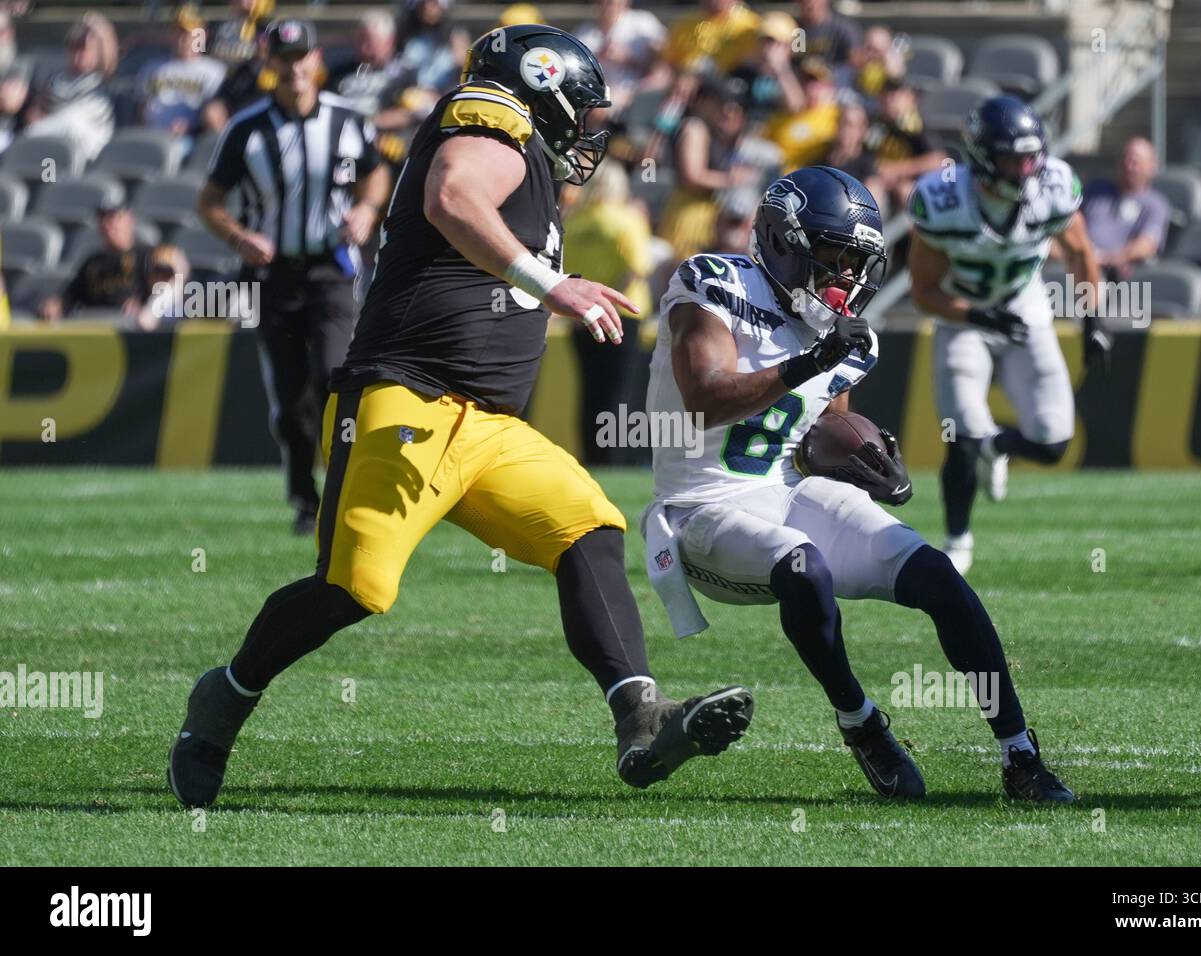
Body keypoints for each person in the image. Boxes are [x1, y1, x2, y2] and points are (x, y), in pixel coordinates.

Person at [168, 25, 754, 810]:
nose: (586, 131)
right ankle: (223, 701)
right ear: (536, 88)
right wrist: (550, 286)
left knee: (589, 529)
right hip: (404, 397)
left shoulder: (529, 165)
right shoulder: (490, 112)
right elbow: (451, 197)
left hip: (488, 426)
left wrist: (551, 280)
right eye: (576, 110)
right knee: (356, 587)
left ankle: (641, 718)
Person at [642, 166, 1076, 802]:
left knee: (937, 576)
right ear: (784, 242)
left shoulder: (845, 339)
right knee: (805, 565)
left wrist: (863, 464)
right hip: (700, 511)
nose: (845, 278)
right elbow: (705, 400)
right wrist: (808, 361)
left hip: (785, 488)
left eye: (857, 264)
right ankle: (862, 722)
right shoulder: (714, 283)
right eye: (833, 258)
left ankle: (1020, 755)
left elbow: (820, 436)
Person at [196, 20, 391, 535]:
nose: (293, 68)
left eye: (301, 57)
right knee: (289, 397)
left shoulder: (348, 120)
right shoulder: (247, 128)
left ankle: (344, 493)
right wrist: (240, 238)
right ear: (268, 63)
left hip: (330, 268)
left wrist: (368, 210)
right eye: (283, 58)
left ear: (316, 59)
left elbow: (376, 170)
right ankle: (305, 499)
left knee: (334, 377)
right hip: (272, 275)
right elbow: (209, 202)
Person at [907, 96, 1110, 575]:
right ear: (981, 158)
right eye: (1012, 159)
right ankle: (958, 536)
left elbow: (1081, 253)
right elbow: (923, 292)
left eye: (1031, 157)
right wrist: (976, 317)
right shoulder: (944, 201)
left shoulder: (1054, 188)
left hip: (1024, 310)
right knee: (962, 432)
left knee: (1054, 439)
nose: (1025, 169)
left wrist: (1093, 322)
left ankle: (1000, 448)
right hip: (964, 319)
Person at [562, 160, 653, 466]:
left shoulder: (573, 221)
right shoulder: (627, 218)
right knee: (619, 391)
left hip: (581, 314)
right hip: (621, 313)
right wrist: (608, 303)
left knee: (589, 390)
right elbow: (636, 268)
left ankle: (592, 456)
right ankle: (615, 458)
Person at [658, 78, 759, 261]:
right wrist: (731, 179)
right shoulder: (694, 128)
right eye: (719, 102)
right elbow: (692, 176)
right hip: (688, 217)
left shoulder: (715, 132)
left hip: (706, 218)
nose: (724, 109)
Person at [39, 201, 152, 323]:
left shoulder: (148, 256)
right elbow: (70, 297)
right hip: (95, 326)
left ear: (129, 220)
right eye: (102, 219)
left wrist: (146, 306)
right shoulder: (93, 262)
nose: (107, 225)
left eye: (113, 218)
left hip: (132, 330)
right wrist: (56, 305)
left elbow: (166, 295)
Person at [21, 20, 116, 163]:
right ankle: (48, 178)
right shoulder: (55, 80)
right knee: (49, 151)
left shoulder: (102, 76)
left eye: (83, 49)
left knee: (70, 122)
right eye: (73, 48)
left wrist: (95, 25)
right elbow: (35, 114)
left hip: (91, 141)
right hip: (54, 140)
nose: (78, 55)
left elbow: (108, 50)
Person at [1082, 137, 1170, 281]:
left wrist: (1108, 259)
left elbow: (1147, 245)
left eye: (1135, 162)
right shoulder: (1095, 190)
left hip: (1114, 275)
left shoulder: (1156, 205)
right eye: (1125, 159)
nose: (1129, 165)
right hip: (1077, 264)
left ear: (1151, 167)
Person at [137, 5, 227, 141]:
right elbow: (140, 113)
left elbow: (217, 118)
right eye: (177, 32)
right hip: (153, 138)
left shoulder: (214, 71)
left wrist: (192, 128)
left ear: (202, 35)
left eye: (188, 33)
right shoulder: (151, 68)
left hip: (194, 141)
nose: (183, 38)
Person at [867, 78, 944, 212]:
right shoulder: (877, 126)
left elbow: (937, 160)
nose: (889, 100)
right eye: (885, 94)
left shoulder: (915, 126)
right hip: (879, 181)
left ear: (910, 99)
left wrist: (896, 171)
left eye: (895, 95)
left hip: (912, 184)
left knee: (906, 192)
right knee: (869, 187)